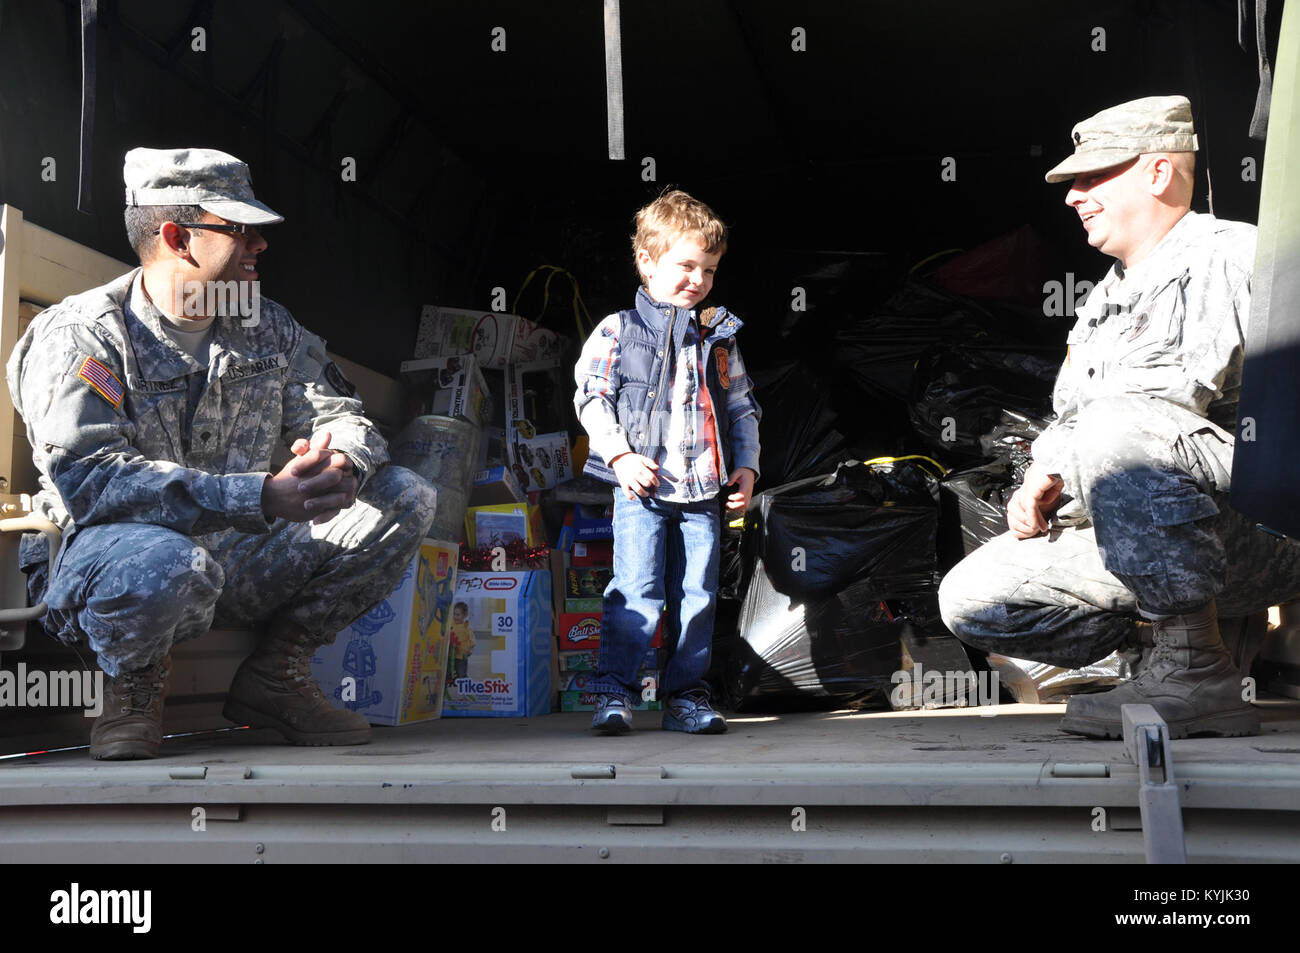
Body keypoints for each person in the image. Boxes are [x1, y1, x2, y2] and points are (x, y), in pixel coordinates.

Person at [7, 147, 437, 759]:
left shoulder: (266, 326)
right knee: (168, 560)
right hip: (108, 561)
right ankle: (133, 686)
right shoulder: (84, 335)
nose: (260, 245)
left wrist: (339, 462)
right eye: (240, 230)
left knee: (404, 496)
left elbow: (342, 413)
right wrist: (260, 495)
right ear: (177, 237)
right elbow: (90, 480)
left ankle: (276, 675)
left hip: (233, 555)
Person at [939, 95, 1300, 739]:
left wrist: (1080, 459)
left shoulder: (1224, 255)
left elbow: (1151, 411)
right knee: (975, 598)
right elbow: (1078, 417)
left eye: (1092, 176)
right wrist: (1043, 476)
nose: (1074, 195)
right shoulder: (1108, 293)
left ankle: (1194, 672)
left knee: (1123, 429)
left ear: (1158, 173)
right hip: (1174, 527)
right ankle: (1176, 652)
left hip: (1267, 530)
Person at [573, 189, 761, 735]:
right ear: (647, 261)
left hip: (704, 493)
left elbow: (743, 406)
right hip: (642, 491)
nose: (697, 280)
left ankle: (686, 698)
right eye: (685, 265)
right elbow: (591, 398)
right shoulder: (616, 330)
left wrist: (746, 466)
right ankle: (614, 694)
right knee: (638, 591)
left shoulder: (719, 338)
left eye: (709, 269)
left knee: (698, 597)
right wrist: (621, 454)